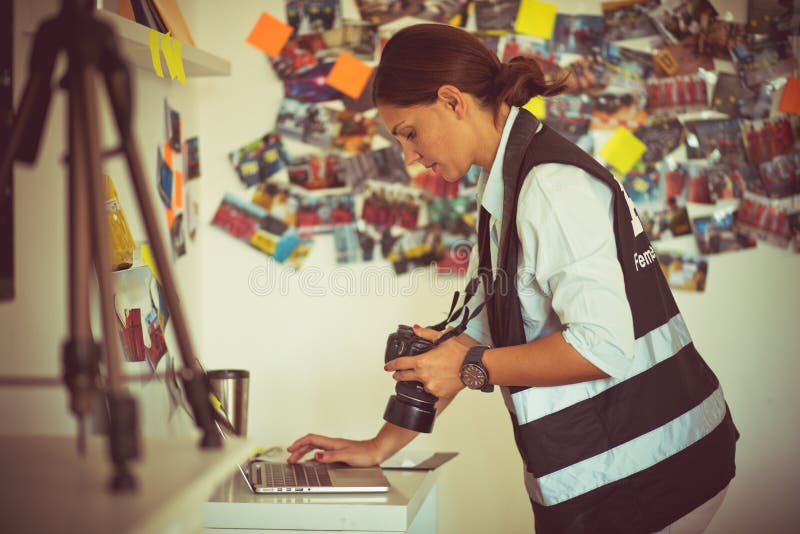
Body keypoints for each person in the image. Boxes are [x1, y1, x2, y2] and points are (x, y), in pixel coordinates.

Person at [288, 23, 738, 533]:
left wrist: (469, 366)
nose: (409, 156)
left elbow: (603, 348)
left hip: (655, 467)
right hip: (624, 462)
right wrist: (381, 446)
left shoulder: (548, 185)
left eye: (409, 132)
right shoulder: (509, 179)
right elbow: (479, 333)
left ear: (453, 101)